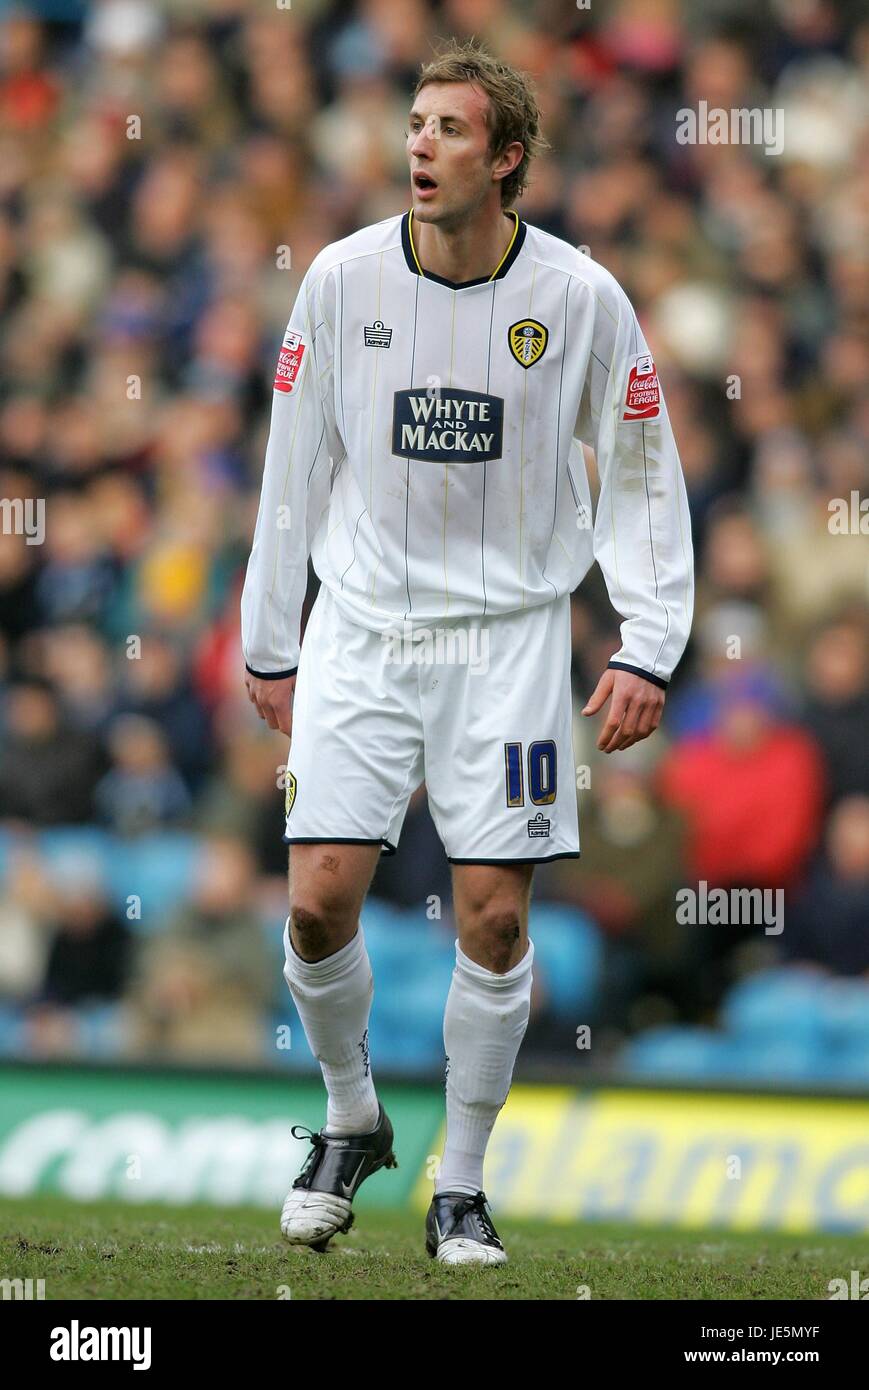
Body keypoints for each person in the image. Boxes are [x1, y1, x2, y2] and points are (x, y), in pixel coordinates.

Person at [241, 40, 693, 1265]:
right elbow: (293, 468)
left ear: (506, 159)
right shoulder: (337, 281)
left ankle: (463, 1183)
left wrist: (648, 643)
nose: (419, 147)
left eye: (449, 130)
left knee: (490, 921)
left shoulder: (580, 298)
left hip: (508, 643)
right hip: (363, 631)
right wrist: (270, 637)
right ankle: (349, 1121)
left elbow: (642, 467)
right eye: (415, 124)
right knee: (319, 899)